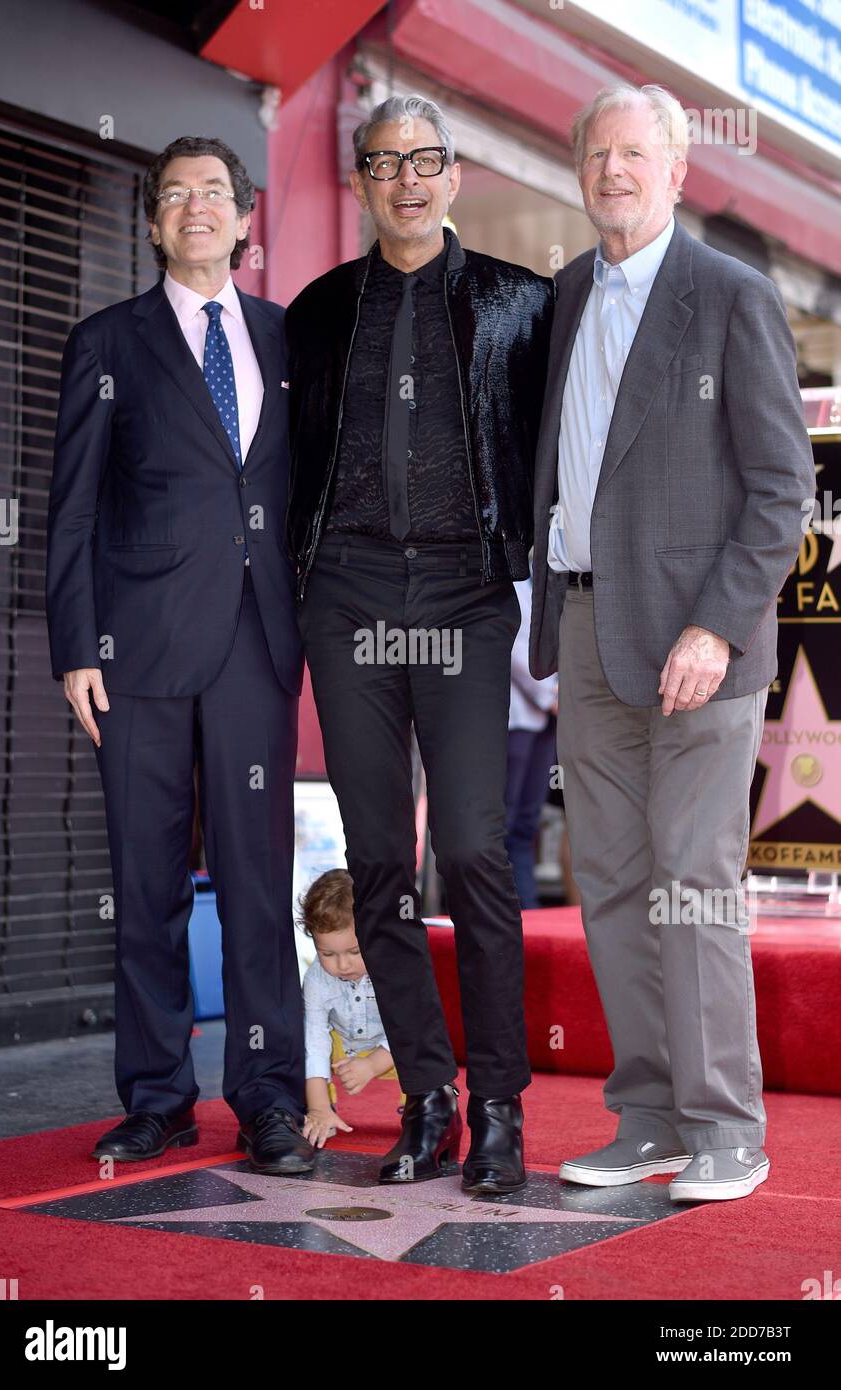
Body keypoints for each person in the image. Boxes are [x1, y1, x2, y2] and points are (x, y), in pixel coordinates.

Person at [528, 84, 815, 1201]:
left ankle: (725, 1132)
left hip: (701, 639)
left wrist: (714, 622)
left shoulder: (729, 295)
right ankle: (645, 1117)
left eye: (633, 154)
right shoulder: (562, 297)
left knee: (691, 882)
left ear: (677, 170)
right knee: (609, 879)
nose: (612, 170)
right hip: (588, 623)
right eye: (595, 153)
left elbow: (781, 487)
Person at [285, 95, 554, 1193]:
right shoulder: (312, 312)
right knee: (382, 858)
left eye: (426, 159)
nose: (406, 176)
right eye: (385, 160)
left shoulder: (520, 305)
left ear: (452, 176)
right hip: (345, 592)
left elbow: (557, 455)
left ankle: (497, 1107)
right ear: (359, 179)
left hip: (462, 594)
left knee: (478, 853)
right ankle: (426, 1097)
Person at [46, 136, 314, 1176]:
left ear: (247, 219)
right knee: (145, 880)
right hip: (137, 649)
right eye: (174, 195)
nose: (195, 207)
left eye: (215, 193)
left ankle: (267, 1098)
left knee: (258, 881)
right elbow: (67, 510)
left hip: (257, 642)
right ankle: (155, 1096)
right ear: (153, 224)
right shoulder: (106, 341)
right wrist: (75, 644)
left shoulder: (289, 341)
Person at [299, 869, 404, 1149]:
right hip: (342, 1048)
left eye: (355, 952)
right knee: (297, 1046)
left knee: (424, 1039)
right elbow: (316, 1041)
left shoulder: (395, 967)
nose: (343, 965)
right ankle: (319, 1107)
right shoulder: (316, 980)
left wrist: (372, 1064)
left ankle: (424, 1108)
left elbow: (408, 1026)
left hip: (392, 1047)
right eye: (328, 954)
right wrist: (319, 1107)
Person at [505, 576, 559, 909]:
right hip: (515, 718)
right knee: (504, 826)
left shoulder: (552, 579)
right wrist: (551, 695)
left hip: (547, 717)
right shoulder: (514, 581)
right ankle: (505, 914)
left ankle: (528, 912)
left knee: (526, 825)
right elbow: (516, 647)